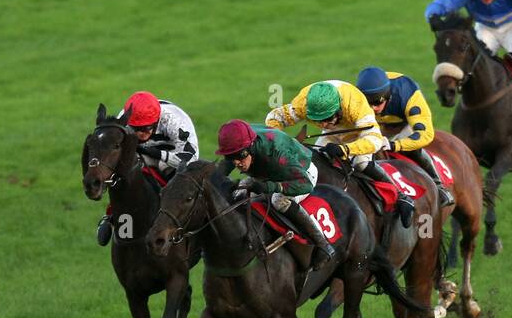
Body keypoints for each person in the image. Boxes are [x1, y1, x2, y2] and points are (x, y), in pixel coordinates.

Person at [265, 80, 414, 226]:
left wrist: (346, 149)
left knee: (360, 163)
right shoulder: (303, 103)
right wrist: (281, 142)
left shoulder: (355, 105)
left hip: (359, 131)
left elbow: (375, 140)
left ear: (338, 109)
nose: (323, 124)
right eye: (318, 120)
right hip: (332, 132)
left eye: (327, 119)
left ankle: (402, 196)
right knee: (314, 162)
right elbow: (273, 118)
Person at [215, 119, 335, 267]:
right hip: (269, 171)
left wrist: (269, 187)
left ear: (250, 146)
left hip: (301, 175)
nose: (236, 163)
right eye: (230, 157)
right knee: (237, 192)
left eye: (240, 156)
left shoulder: (275, 153)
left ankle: (323, 244)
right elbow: (221, 172)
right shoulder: (238, 145)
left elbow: (305, 185)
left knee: (278, 201)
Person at [96, 90, 199, 246]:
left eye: (146, 128)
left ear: (157, 121)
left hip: (171, 156)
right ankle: (112, 215)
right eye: (136, 129)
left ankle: (189, 229)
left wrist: (156, 153)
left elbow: (191, 160)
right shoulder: (123, 119)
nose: (140, 134)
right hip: (142, 155)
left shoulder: (176, 121)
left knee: (183, 185)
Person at [356, 66, 455, 207]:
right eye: (368, 103)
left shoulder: (408, 95)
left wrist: (394, 145)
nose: (373, 109)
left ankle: (439, 186)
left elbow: (425, 134)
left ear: (388, 96)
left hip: (403, 125)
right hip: (373, 125)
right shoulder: (355, 97)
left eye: (378, 103)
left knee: (413, 149)